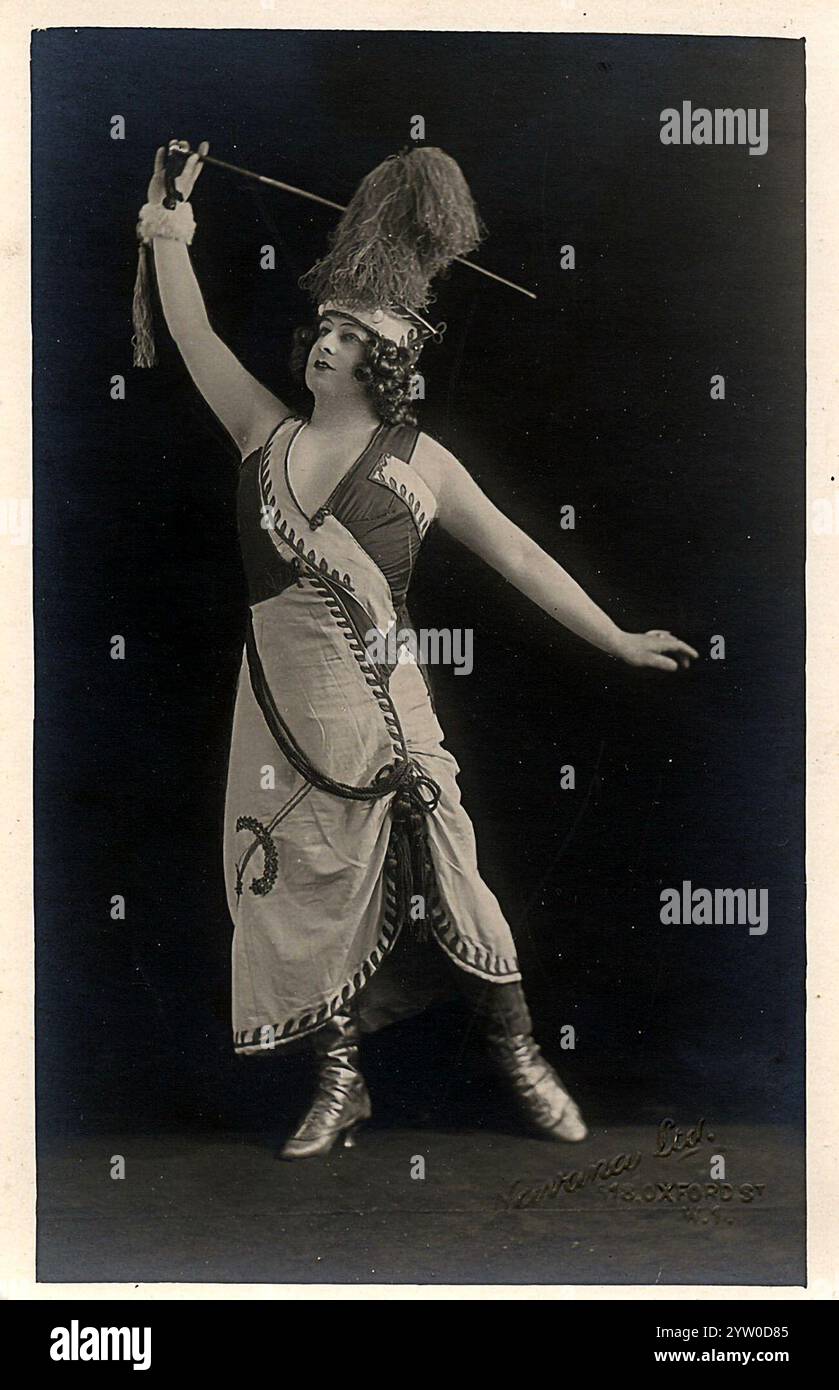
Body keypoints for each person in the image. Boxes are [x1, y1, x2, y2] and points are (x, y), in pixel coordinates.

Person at [136, 140, 698, 1160]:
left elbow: (521, 556)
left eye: (354, 336)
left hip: (382, 709)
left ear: (389, 364)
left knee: (455, 877)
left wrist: (613, 635)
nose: (328, 344)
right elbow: (187, 327)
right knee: (305, 889)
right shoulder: (261, 432)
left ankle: (521, 1055)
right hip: (279, 712)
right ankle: (340, 1083)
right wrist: (171, 218)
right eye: (327, 327)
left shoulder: (422, 463)